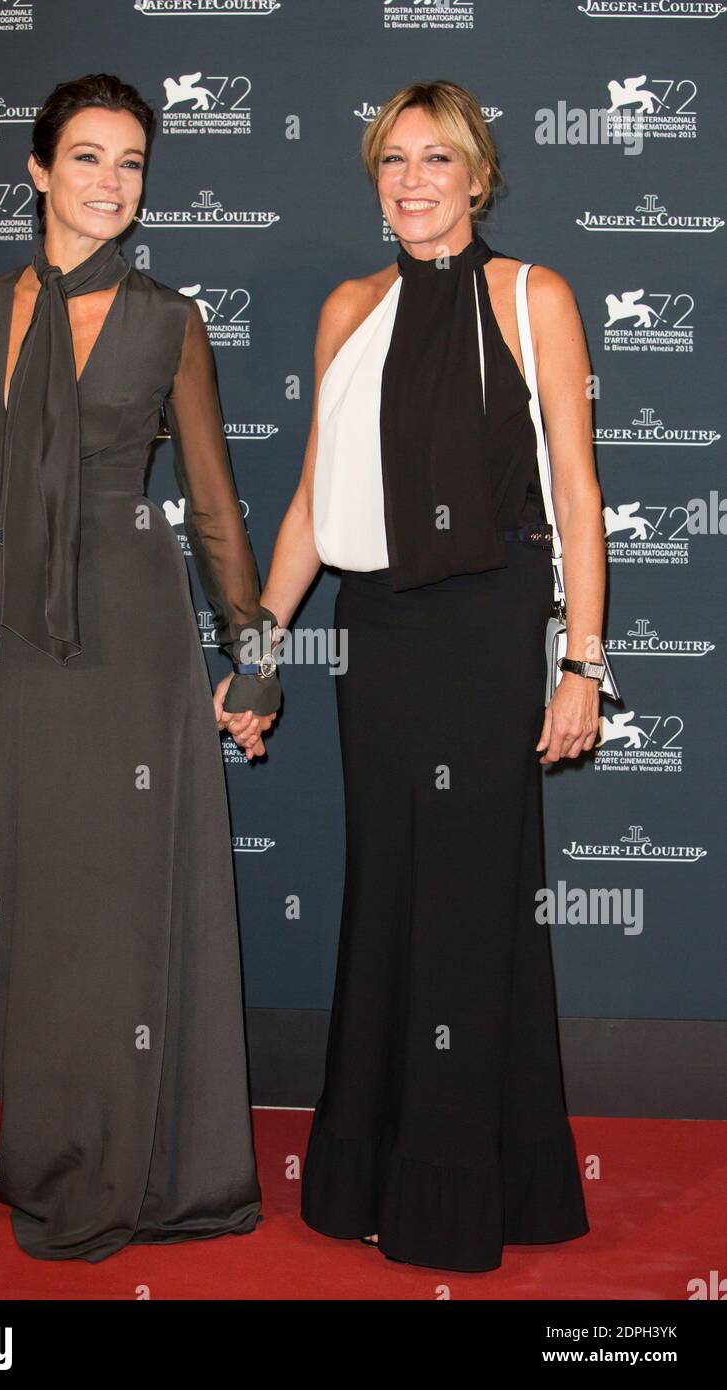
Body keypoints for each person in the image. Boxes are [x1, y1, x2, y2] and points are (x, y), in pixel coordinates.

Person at [220, 80, 598, 1271]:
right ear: (374, 177)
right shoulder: (346, 304)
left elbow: (577, 494)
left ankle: (472, 1187)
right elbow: (307, 507)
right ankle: (368, 1173)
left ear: (477, 176)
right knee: (387, 891)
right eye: (393, 160)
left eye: (438, 158)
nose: (414, 179)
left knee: (473, 904)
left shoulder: (532, 295)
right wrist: (258, 651)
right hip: (376, 639)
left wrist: (581, 662)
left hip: (487, 632)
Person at [0, 73, 280, 1263]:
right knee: (48, 915)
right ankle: (61, 1149)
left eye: (131, 163)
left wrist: (256, 656)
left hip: (136, 640)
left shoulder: (167, 318)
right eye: (87, 158)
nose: (111, 184)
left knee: (131, 909)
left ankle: (163, 1165)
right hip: (28, 648)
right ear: (37, 170)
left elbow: (217, 506)